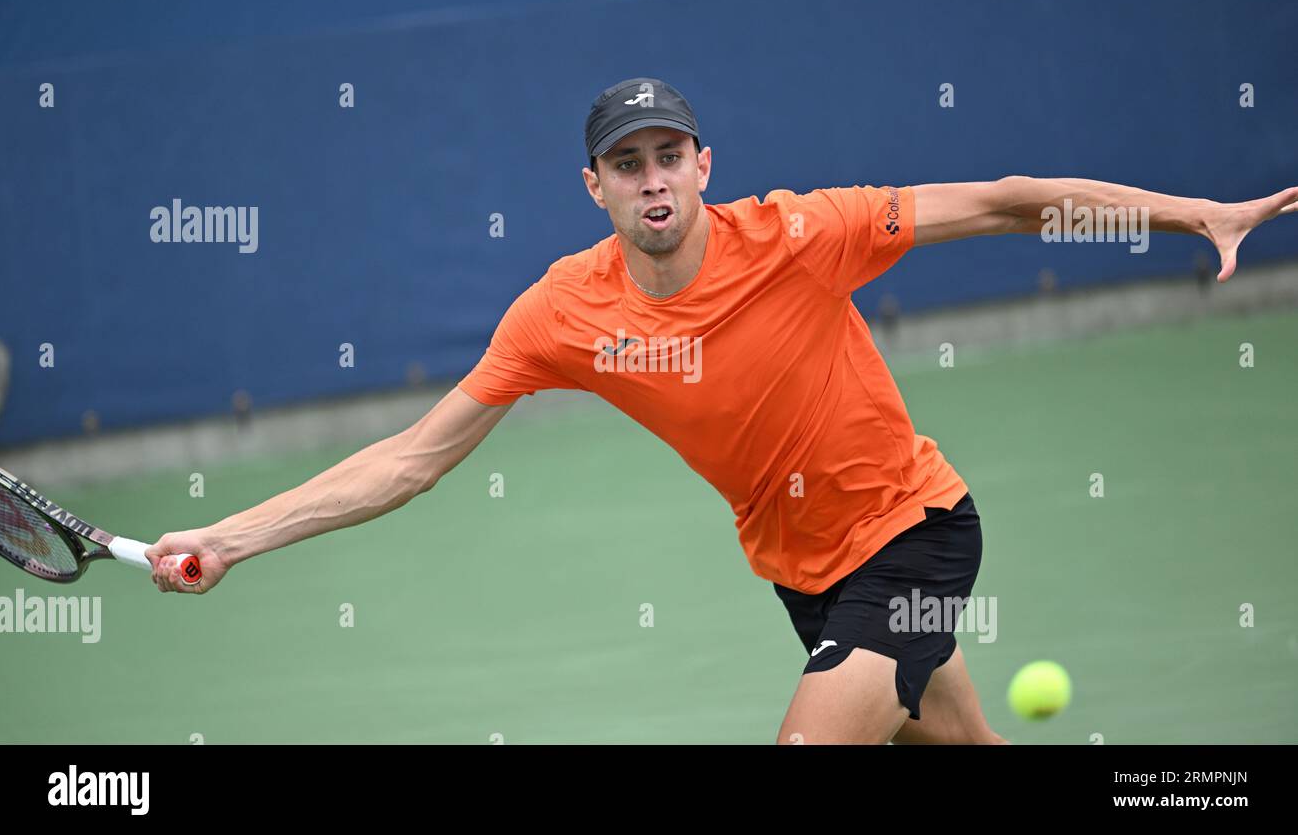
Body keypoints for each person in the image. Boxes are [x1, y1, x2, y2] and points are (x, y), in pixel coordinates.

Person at [147, 78, 1298, 744]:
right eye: (626, 163)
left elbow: (1002, 206)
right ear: (593, 188)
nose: (652, 178)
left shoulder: (804, 234)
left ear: (704, 165)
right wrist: (229, 538)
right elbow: (411, 458)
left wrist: (1193, 212)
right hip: (800, 571)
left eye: (669, 156)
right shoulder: (560, 311)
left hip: (913, 533)